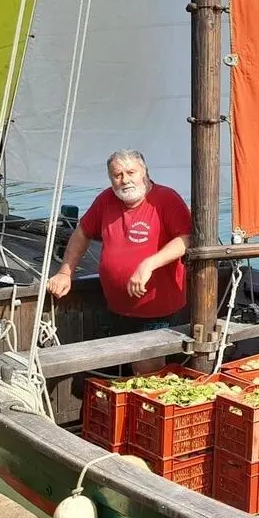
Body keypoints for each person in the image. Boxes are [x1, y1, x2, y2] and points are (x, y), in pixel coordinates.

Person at [47, 150, 193, 373]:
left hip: (156, 307)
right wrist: (65, 272)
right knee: (124, 368)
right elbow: (82, 232)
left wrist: (148, 264)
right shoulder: (106, 199)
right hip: (118, 307)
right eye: (117, 175)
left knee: (147, 367)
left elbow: (186, 239)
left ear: (144, 172)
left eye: (131, 172)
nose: (124, 180)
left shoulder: (166, 198)